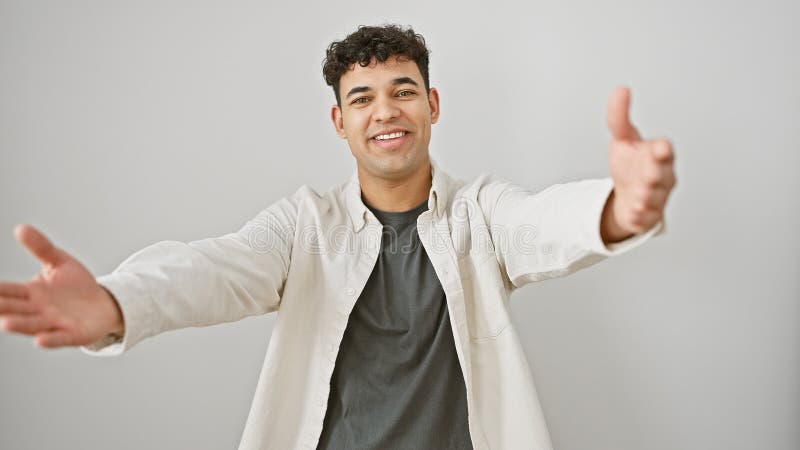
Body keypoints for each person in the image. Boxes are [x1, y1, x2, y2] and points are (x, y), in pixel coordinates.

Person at [0, 24, 676, 450]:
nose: (386, 110)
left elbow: (545, 223)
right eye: (363, 97)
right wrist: (117, 305)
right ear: (339, 120)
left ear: (432, 106)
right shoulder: (304, 225)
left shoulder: (481, 212)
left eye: (404, 91)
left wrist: (624, 206)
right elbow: (213, 270)